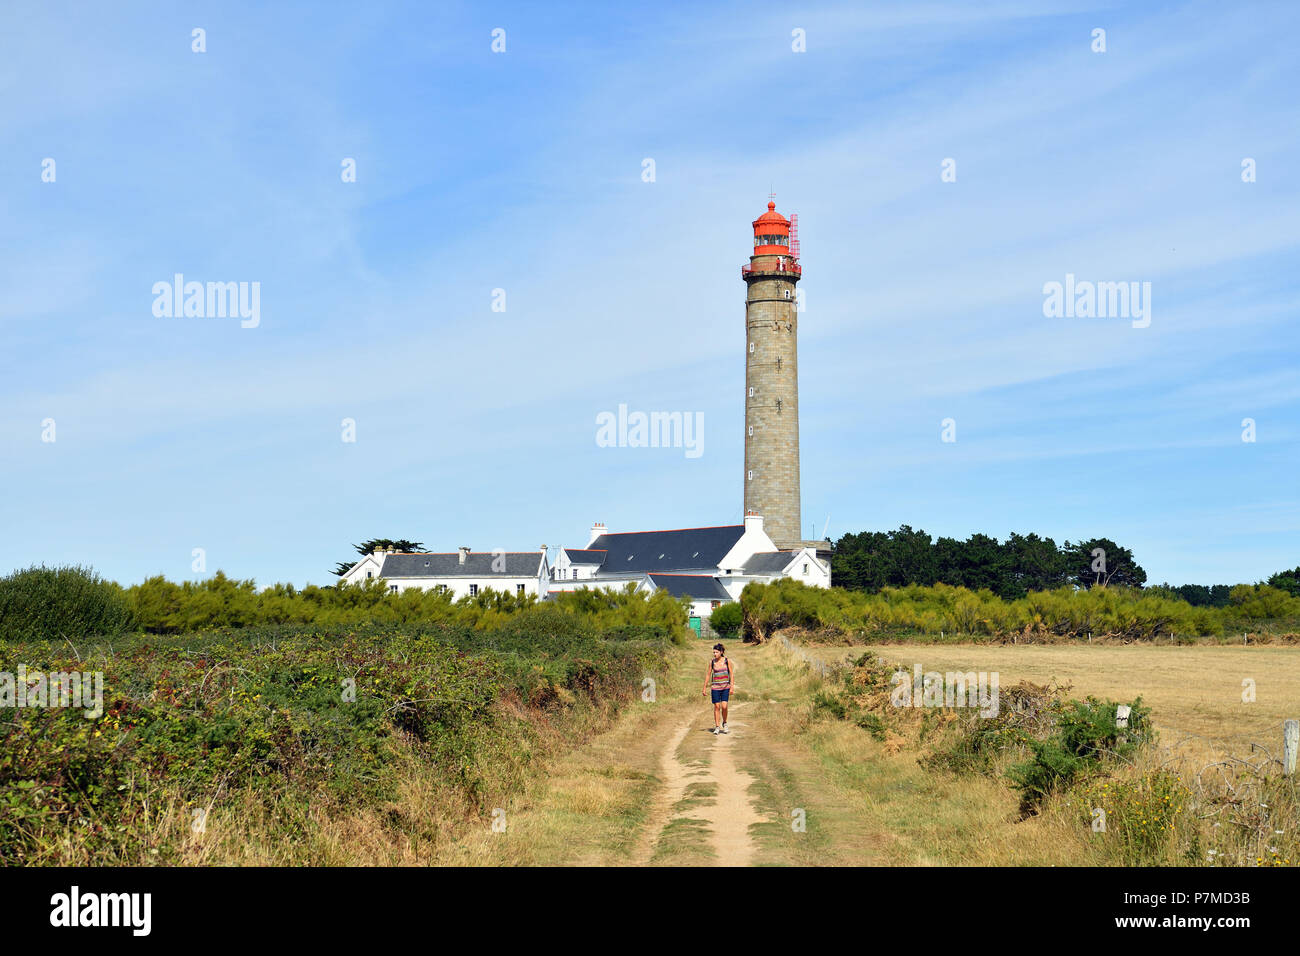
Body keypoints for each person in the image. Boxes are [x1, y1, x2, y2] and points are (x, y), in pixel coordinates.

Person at [702, 643, 735, 734]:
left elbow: (731, 674)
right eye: (714, 652)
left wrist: (732, 687)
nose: (714, 654)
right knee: (717, 706)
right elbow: (708, 675)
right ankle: (717, 726)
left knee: (724, 706)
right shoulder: (712, 662)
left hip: (725, 687)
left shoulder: (727, 661)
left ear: (721, 652)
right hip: (715, 688)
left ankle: (725, 723)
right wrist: (704, 688)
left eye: (716, 652)